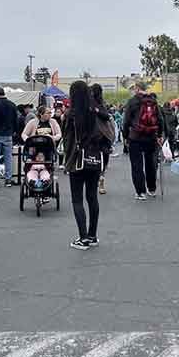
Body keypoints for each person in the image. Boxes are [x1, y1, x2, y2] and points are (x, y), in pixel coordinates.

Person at [63, 80, 105, 249]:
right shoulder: (94, 112)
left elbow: (67, 141)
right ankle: (93, 235)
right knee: (92, 197)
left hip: (77, 160)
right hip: (94, 157)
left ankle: (83, 238)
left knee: (77, 199)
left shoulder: (70, 115)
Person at [122, 81, 163, 200]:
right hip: (151, 137)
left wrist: (125, 136)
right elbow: (160, 119)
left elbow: (126, 121)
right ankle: (152, 189)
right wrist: (159, 134)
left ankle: (140, 192)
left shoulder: (132, 101)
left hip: (135, 137)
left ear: (137, 88)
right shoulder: (153, 101)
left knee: (137, 165)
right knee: (150, 163)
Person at [90, 84, 114, 195]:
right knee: (102, 160)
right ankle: (99, 182)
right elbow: (107, 116)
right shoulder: (96, 103)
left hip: (96, 136)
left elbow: (106, 115)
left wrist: (96, 110)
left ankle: (99, 182)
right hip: (101, 136)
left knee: (98, 160)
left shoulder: (96, 103)